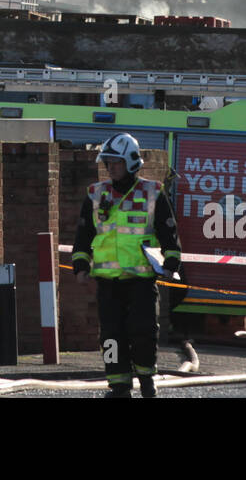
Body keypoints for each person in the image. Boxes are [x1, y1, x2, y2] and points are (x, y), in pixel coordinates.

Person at [71, 133, 182, 398]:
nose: (111, 168)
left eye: (116, 163)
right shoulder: (96, 195)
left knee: (143, 332)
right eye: (108, 163)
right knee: (111, 336)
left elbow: (168, 231)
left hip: (141, 280)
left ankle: (146, 380)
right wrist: (80, 265)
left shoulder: (152, 192)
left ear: (132, 162)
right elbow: (83, 235)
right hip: (108, 282)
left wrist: (172, 260)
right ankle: (119, 386)